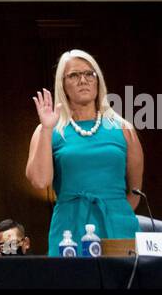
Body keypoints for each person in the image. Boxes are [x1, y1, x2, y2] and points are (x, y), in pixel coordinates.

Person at [26, 49, 143, 254]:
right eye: (74, 75)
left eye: (90, 74)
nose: (83, 80)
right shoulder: (49, 129)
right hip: (68, 229)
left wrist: (116, 214)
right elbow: (40, 181)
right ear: (63, 84)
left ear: (98, 81)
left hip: (118, 227)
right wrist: (46, 129)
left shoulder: (123, 128)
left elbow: (135, 192)